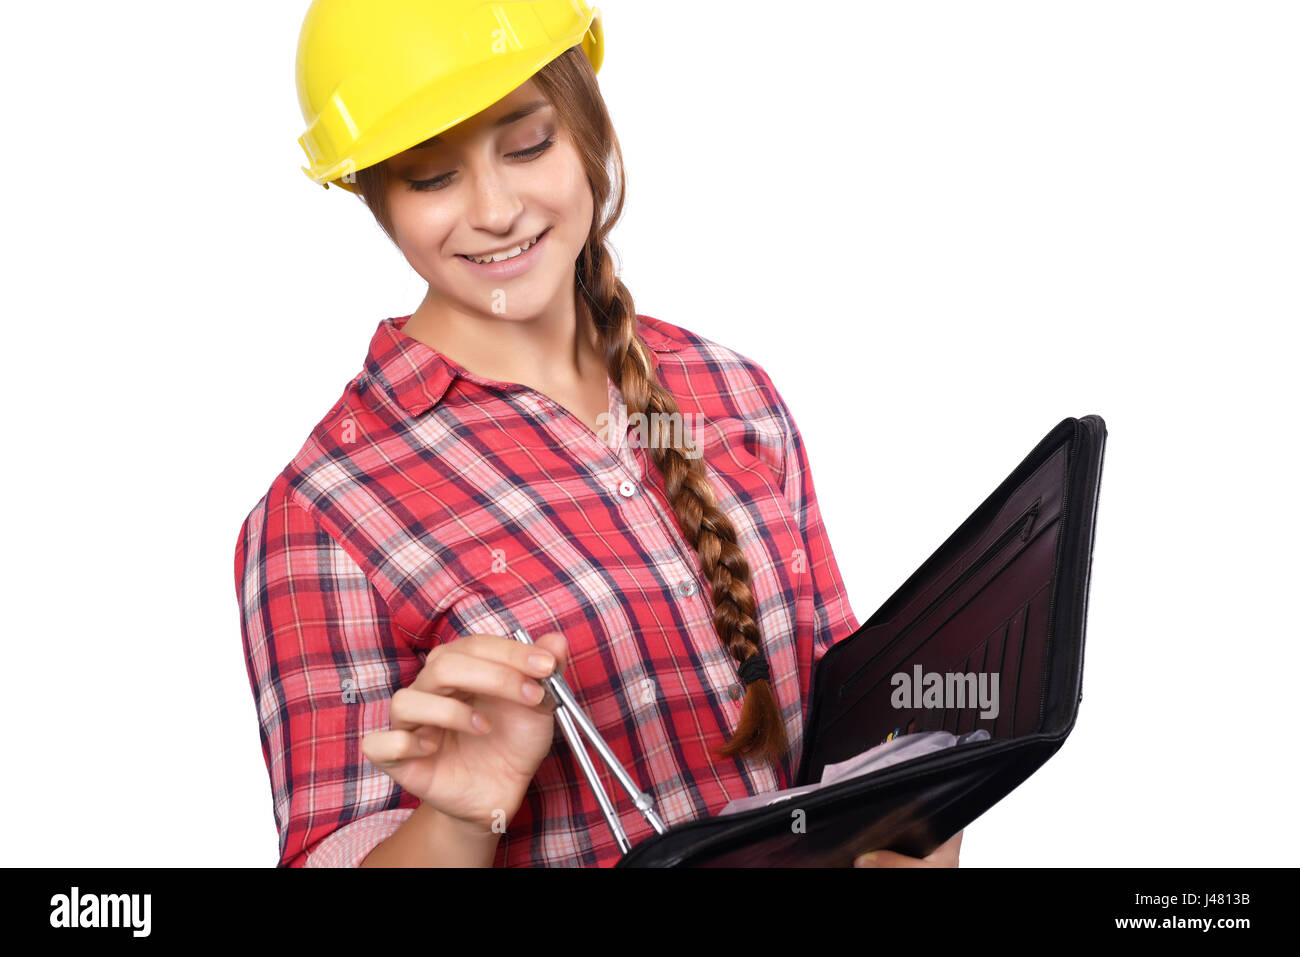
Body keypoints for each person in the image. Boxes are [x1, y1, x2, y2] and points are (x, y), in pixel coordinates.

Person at [234, 0, 962, 868]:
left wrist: (920, 807)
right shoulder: (321, 517)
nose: (496, 210)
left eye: (528, 143)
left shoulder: (731, 391)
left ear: (587, 129)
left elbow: (853, 737)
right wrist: (460, 823)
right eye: (432, 177)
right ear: (372, 192)